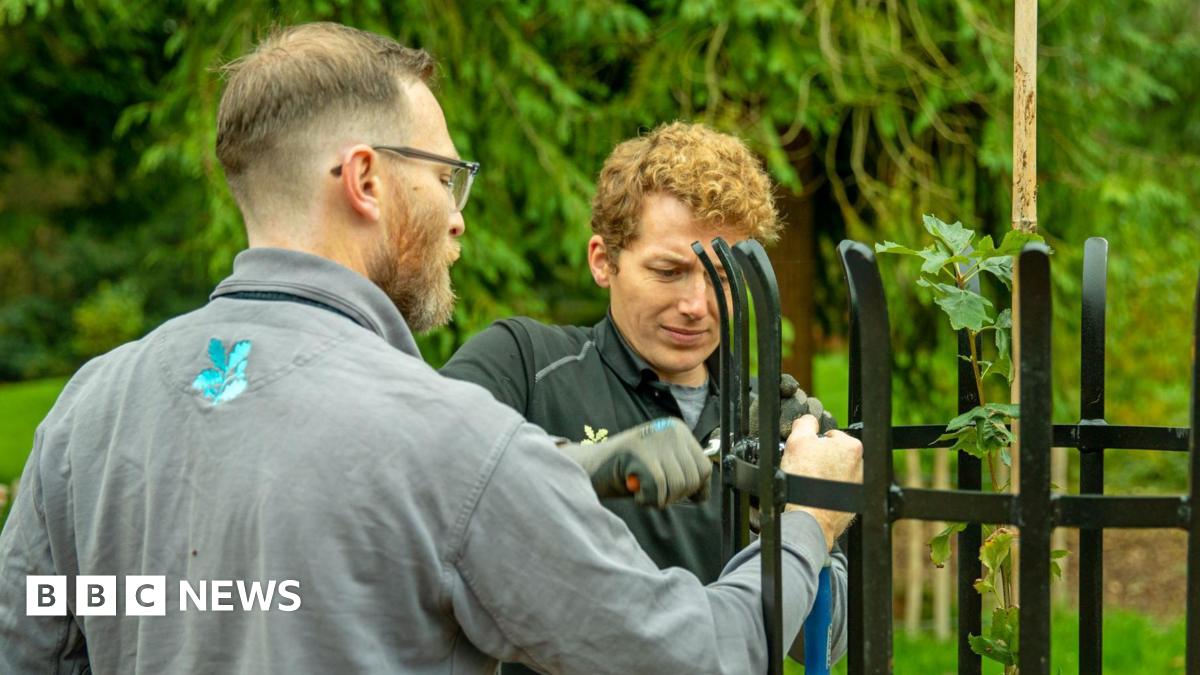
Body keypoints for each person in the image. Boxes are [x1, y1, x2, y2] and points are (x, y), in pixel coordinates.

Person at [0, 22, 863, 675]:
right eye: (445, 175)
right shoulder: (453, 437)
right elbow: (693, 655)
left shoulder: (91, 409)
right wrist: (807, 524)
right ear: (367, 180)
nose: (457, 214)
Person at [441, 122, 849, 667]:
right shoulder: (524, 363)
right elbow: (424, 471)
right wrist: (591, 464)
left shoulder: (769, 419)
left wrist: (787, 518)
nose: (697, 305)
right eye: (669, 271)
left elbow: (824, 642)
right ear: (602, 261)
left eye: (722, 277)